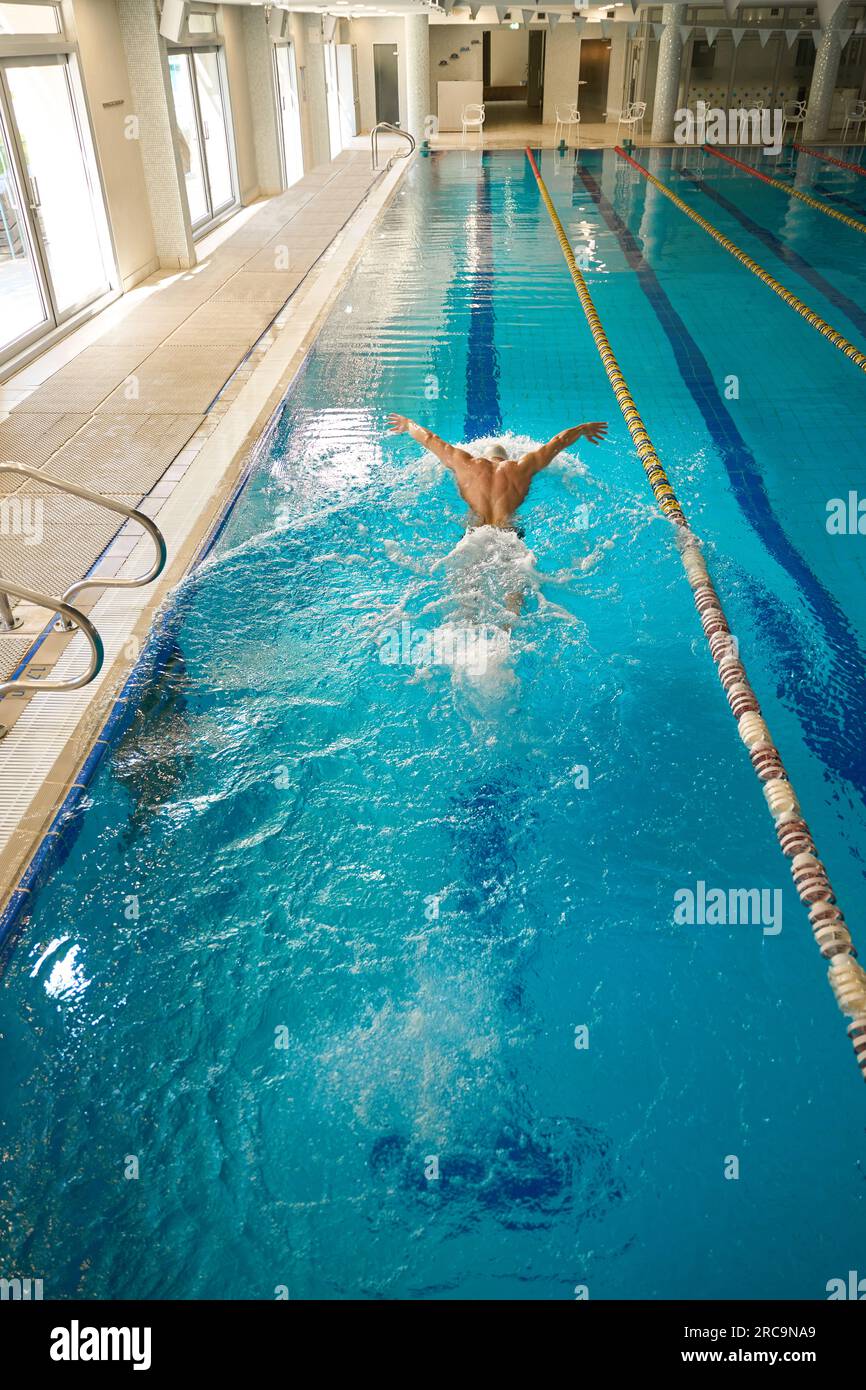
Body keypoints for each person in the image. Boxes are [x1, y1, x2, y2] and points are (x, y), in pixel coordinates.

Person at [386, 415, 608, 530]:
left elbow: (431, 440)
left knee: (467, 586)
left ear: (485, 455)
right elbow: (557, 442)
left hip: (475, 533)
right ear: (506, 458)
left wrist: (408, 424)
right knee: (515, 589)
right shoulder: (521, 467)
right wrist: (582, 428)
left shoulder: (466, 463)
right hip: (507, 533)